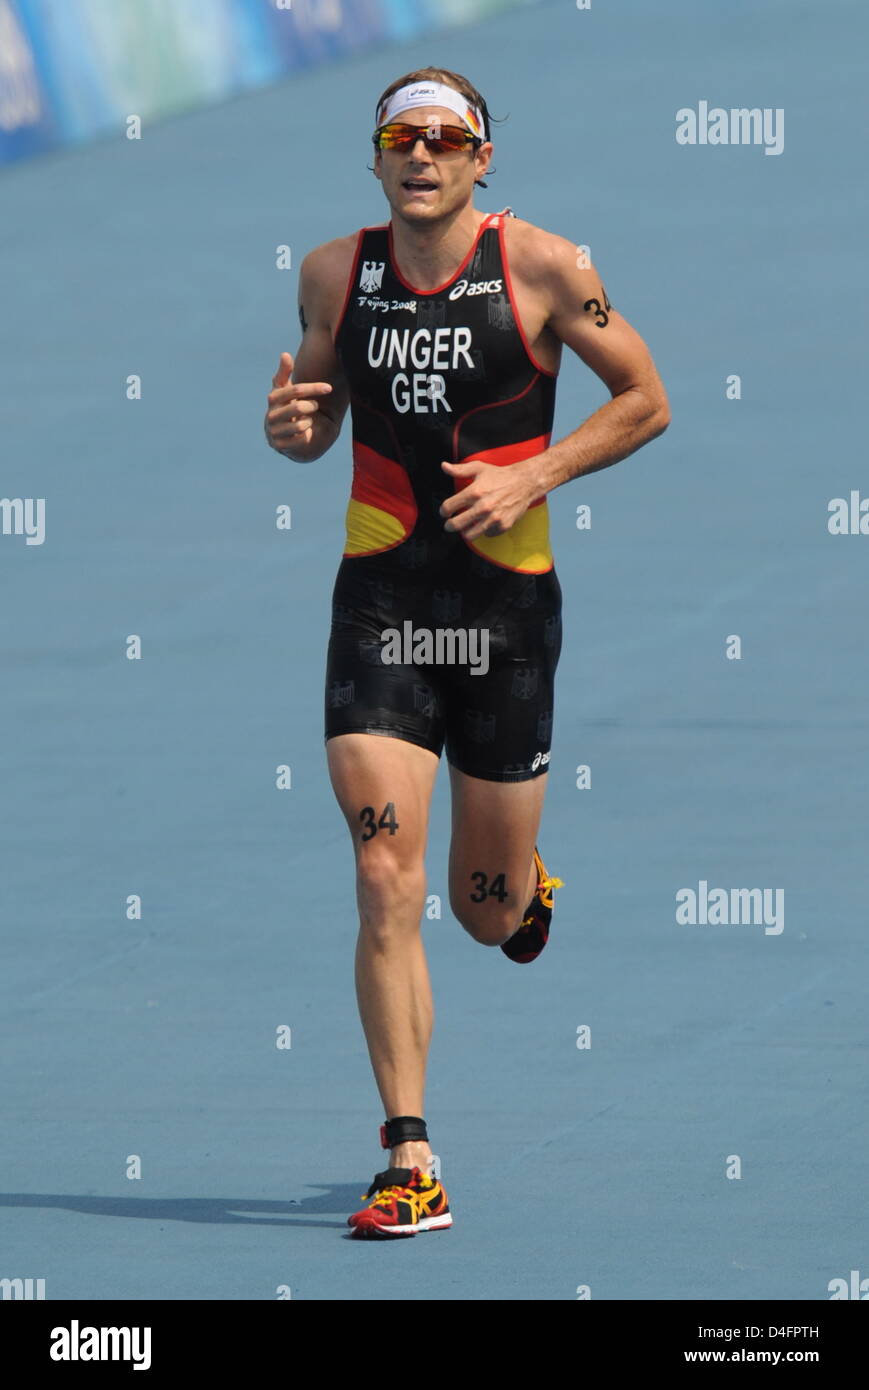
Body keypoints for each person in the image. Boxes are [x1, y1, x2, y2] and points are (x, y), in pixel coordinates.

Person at [264, 67, 670, 1238]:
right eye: (402, 135)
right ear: (378, 156)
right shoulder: (334, 274)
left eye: (447, 137)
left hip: (503, 620)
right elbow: (317, 413)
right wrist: (295, 429)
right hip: (380, 605)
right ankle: (407, 1154)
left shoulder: (544, 268)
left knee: (482, 910)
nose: (423, 153)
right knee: (383, 873)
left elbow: (644, 398)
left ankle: (520, 885)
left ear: (481, 158)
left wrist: (534, 473)